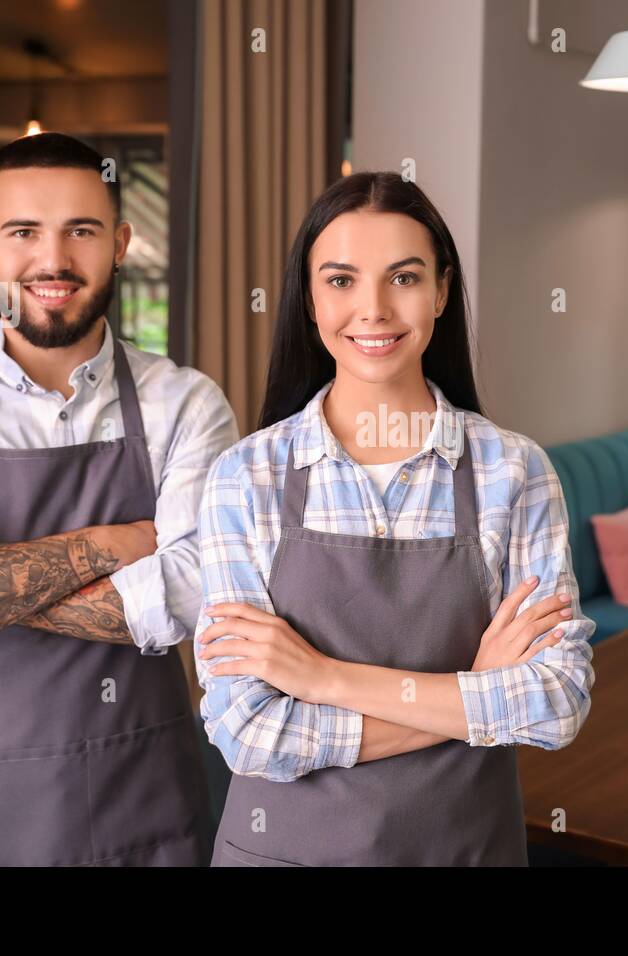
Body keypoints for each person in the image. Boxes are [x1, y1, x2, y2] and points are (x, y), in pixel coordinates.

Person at [0, 132, 238, 865]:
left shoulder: (186, 404)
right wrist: (113, 545)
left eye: (81, 231)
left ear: (121, 241)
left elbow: (190, 595)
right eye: (23, 232)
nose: (53, 260)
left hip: (140, 792)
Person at [194, 171, 595, 866]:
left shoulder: (513, 471)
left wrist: (322, 679)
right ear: (310, 300)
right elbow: (248, 730)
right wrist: (473, 692)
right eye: (342, 280)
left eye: (403, 278)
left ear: (441, 291)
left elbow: (556, 702)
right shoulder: (246, 478)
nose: (372, 309)